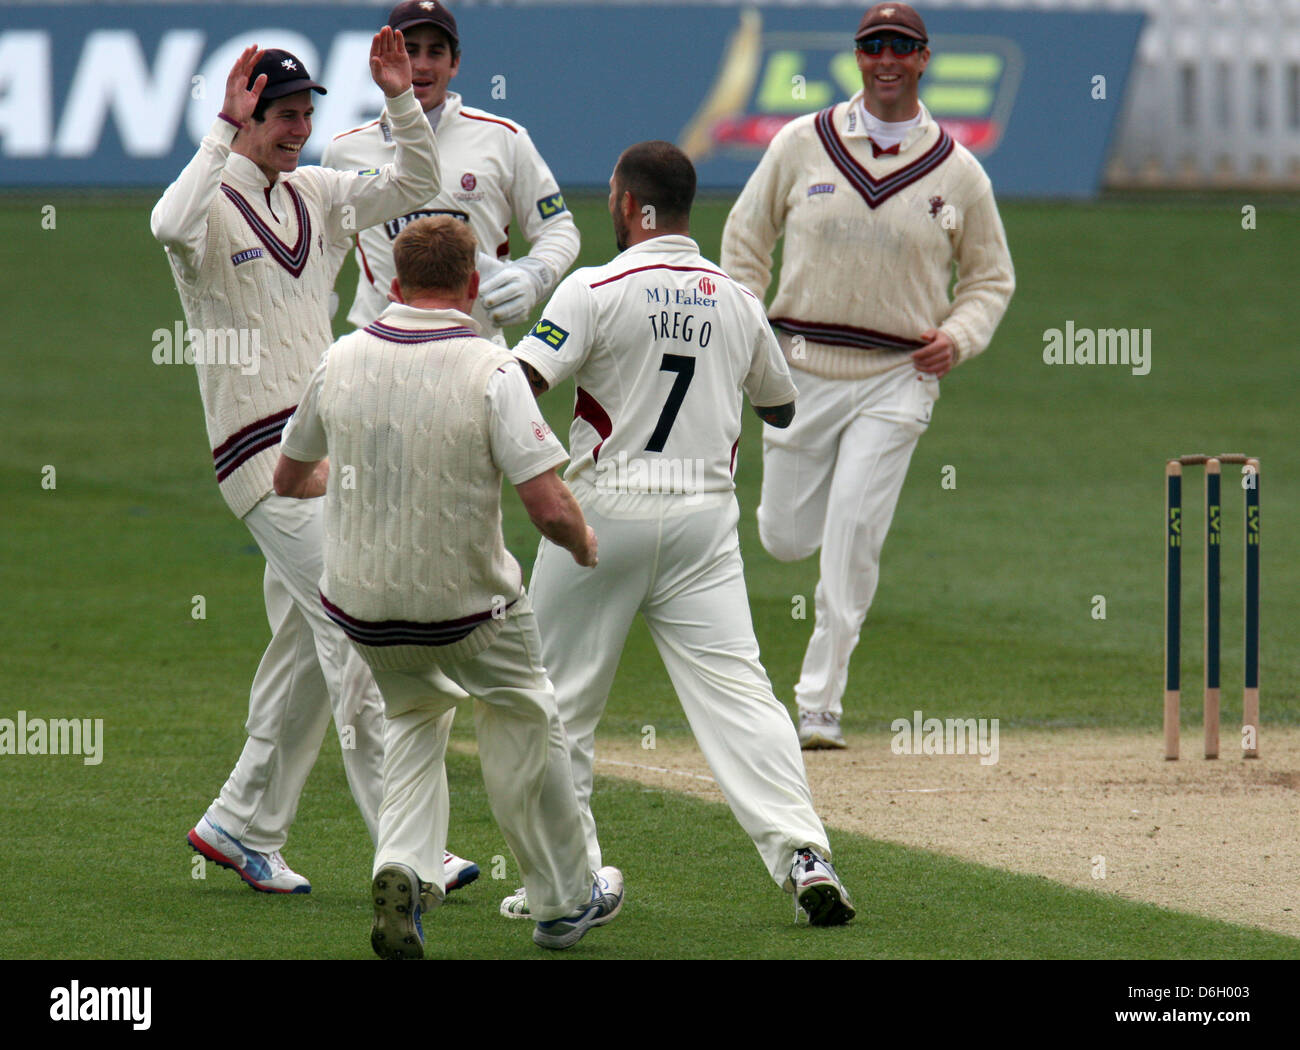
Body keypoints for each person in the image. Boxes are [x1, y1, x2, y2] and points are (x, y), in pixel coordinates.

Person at [152, 33, 475, 895]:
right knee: (359, 631)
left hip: (330, 447)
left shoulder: (322, 194)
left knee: (304, 640)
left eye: (306, 115)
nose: (299, 129)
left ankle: (239, 822)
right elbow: (166, 224)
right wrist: (220, 129)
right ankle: (412, 848)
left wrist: (402, 99)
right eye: (284, 115)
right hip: (258, 460)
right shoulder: (211, 200)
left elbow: (418, 185)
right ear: (248, 115)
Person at [506, 141, 855, 927]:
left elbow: (518, 384)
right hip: (703, 520)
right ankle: (805, 855)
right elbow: (783, 408)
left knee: (556, 702)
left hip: (604, 513)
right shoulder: (734, 296)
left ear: (630, 205)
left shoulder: (593, 287)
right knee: (741, 694)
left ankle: (570, 882)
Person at [273, 215, 622, 956]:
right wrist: (583, 541)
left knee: (414, 718)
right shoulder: (492, 368)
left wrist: (359, 478)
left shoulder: (339, 358)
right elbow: (547, 503)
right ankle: (563, 902)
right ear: (472, 285)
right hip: (470, 610)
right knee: (529, 720)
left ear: (392, 284)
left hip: (362, 611)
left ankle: (402, 863)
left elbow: (290, 477)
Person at [721, 2, 1015, 749]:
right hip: (802, 368)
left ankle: (819, 704)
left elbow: (990, 279)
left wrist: (959, 335)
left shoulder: (959, 171)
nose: (887, 58)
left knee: (854, 533)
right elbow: (745, 239)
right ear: (859, 56)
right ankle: (815, 510)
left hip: (897, 377)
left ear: (923, 59)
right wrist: (749, 327)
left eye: (902, 47)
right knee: (785, 537)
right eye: (873, 45)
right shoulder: (802, 143)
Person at [323, 0, 580, 343]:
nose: (422, 65)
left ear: (455, 62)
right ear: (384, 60)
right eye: (409, 50)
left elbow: (558, 228)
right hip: (379, 349)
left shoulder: (503, 138)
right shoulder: (346, 149)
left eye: (436, 52)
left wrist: (534, 276)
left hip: (476, 350)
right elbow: (321, 244)